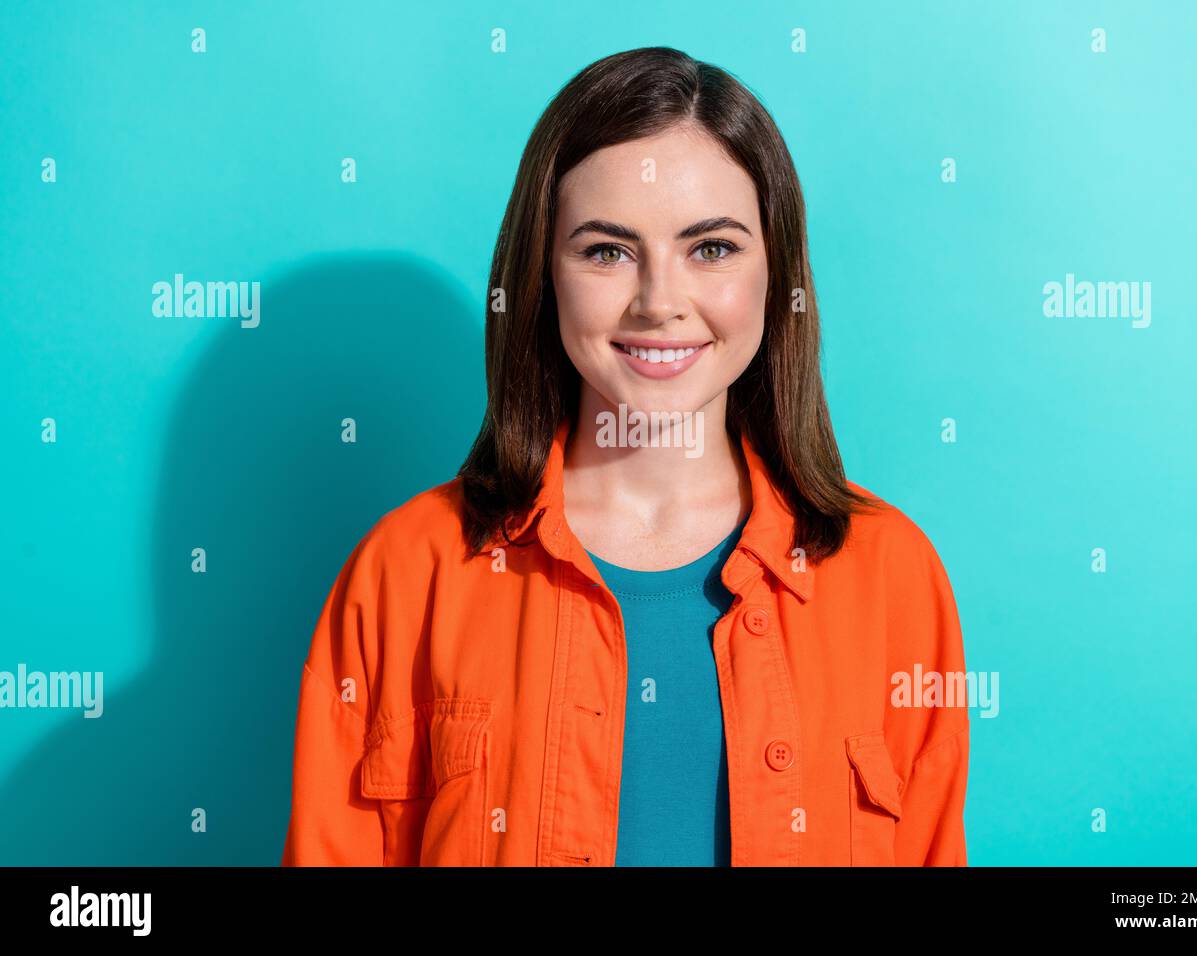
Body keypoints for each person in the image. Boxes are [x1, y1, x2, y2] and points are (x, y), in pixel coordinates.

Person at [281, 46, 970, 867]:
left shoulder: (895, 576)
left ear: (775, 271)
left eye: (711, 248)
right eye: (607, 251)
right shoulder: (403, 572)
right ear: (545, 274)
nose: (659, 303)